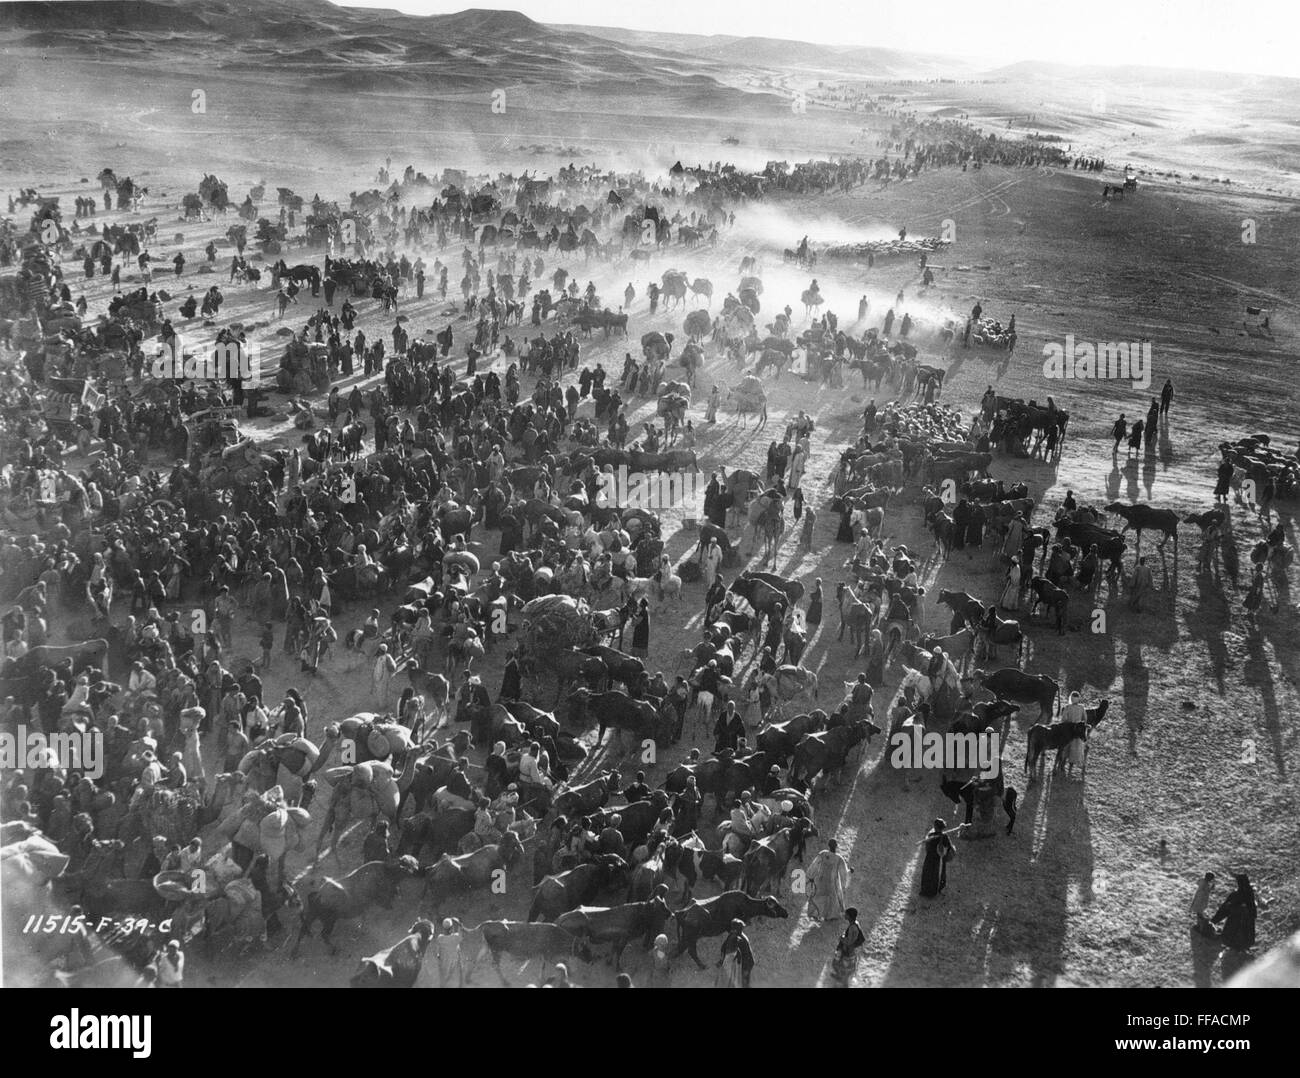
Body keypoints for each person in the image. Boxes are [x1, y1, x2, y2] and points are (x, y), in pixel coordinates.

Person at [807, 838, 851, 922]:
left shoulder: (823, 854)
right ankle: (829, 916)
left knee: (817, 896)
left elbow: (814, 865)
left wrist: (811, 875)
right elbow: (844, 872)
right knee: (832, 899)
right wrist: (850, 872)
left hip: (820, 880)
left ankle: (816, 913)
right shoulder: (839, 858)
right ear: (836, 846)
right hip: (832, 882)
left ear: (828, 845)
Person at [1211, 874, 1257, 951]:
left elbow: (1224, 909)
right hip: (1247, 921)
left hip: (1236, 920)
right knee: (1245, 934)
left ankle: (1235, 946)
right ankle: (1243, 946)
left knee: (1233, 933)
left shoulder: (1236, 895)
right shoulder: (1250, 893)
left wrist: (1214, 921)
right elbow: (1252, 909)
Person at [830, 907, 866, 987]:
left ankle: (844, 983)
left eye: (846, 914)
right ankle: (840, 978)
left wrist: (841, 938)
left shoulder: (852, 927)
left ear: (849, 916)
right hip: (850, 950)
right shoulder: (855, 923)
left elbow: (849, 941)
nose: (844, 915)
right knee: (842, 964)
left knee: (845, 966)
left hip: (849, 950)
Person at [920, 818, 955, 898]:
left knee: (928, 873)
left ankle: (926, 891)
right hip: (939, 859)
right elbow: (949, 847)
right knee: (937, 875)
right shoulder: (944, 836)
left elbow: (927, 845)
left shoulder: (931, 835)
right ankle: (935, 890)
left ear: (935, 827)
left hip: (930, 858)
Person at [717, 919, 754, 987]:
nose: (741, 929)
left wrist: (722, 960)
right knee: (741, 981)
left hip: (747, 961)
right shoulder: (736, 936)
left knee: (743, 981)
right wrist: (721, 960)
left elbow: (724, 948)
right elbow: (724, 947)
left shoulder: (739, 936)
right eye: (741, 928)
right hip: (745, 962)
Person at [436, 917, 463, 987]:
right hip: (455, 965)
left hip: (444, 966)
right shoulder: (456, 937)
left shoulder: (440, 938)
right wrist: (459, 924)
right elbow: (461, 934)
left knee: (443, 981)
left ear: (443, 928)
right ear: (451, 928)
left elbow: (438, 953)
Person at [1190, 871, 1217, 938]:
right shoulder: (1206, 884)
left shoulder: (1202, 881)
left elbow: (1198, 882)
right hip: (1201, 900)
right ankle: (1200, 926)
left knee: (1198, 913)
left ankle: (1199, 925)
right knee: (1200, 913)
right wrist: (1211, 888)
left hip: (1198, 898)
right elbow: (1206, 891)